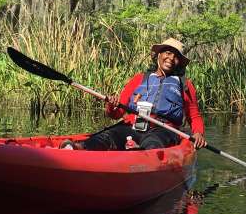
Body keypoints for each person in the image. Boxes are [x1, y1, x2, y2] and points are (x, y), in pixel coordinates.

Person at [71, 38, 207, 151]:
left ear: (179, 63)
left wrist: (198, 133)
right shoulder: (139, 79)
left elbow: (194, 116)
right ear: (159, 55)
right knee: (107, 136)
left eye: (176, 56)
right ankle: (77, 148)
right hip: (132, 127)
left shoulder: (185, 84)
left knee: (152, 142)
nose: (171, 58)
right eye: (167, 53)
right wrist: (111, 106)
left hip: (164, 130)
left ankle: (140, 153)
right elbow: (116, 113)